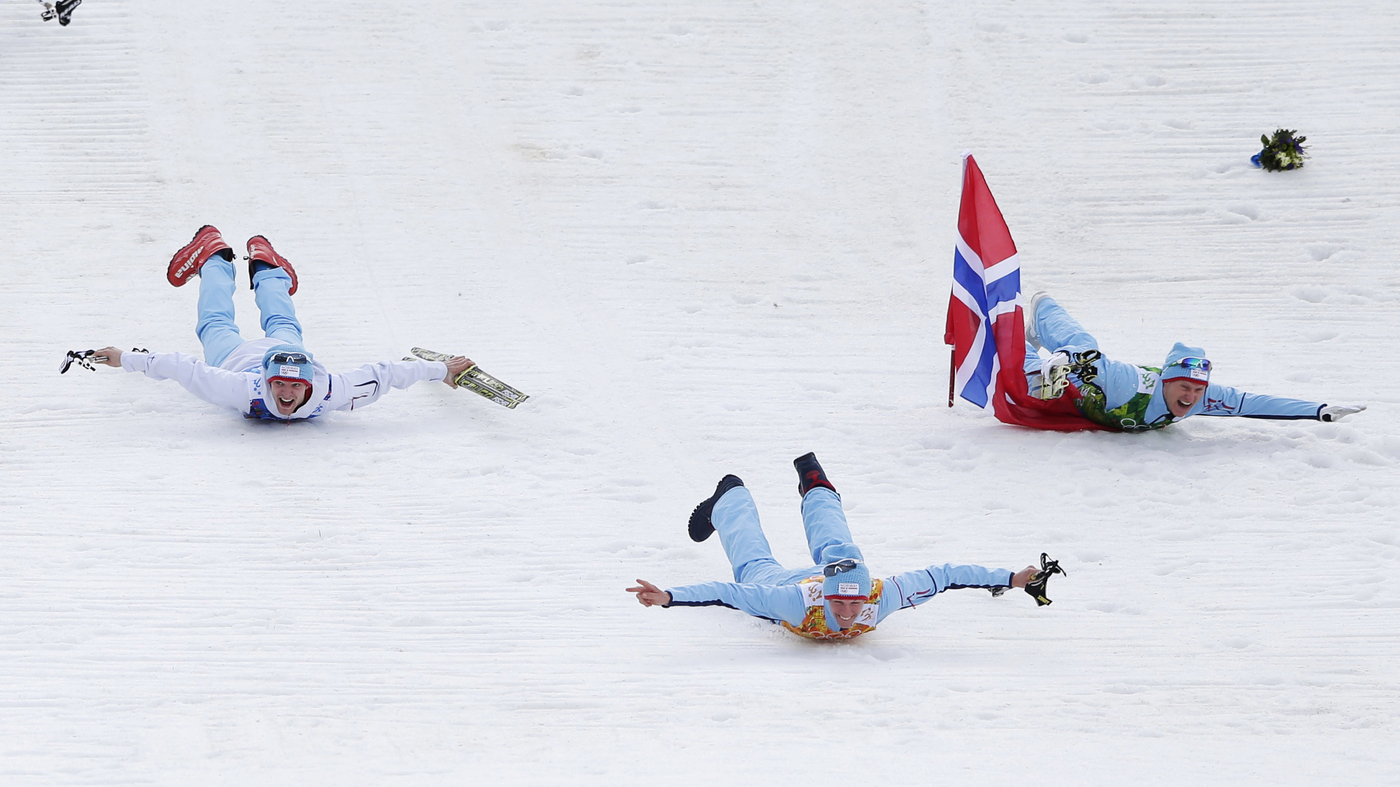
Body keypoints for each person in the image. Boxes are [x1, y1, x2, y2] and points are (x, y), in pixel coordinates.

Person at [627, 453, 1056, 641]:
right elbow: (730, 594)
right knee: (753, 567)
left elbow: (945, 576)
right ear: (827, 594)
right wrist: (670, 598)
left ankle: (816, 484)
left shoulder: (879, 596)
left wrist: (1012, 579)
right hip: (785, 584)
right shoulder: (796, 602)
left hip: (836, 570)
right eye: (840, 604)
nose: (848, 613)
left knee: (841, 547)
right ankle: (731, 497)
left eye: (853, 605)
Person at [88, 225, 474, 422]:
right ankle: (239, 263)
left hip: (277, 350)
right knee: (220, 323)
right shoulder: (241, 386)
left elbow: (387, 374)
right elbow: (180, 367)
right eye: (281, 385)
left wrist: (442, 372)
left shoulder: (332, 390)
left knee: (264, 321)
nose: (287, 394)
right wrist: (125, 358)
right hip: (238, 357)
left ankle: (225, 259)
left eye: (292, 386)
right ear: (265, 380)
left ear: (309, 383)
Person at [1022, 292, 1366, 432]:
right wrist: (1067, 359)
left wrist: (1317, 410)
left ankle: (1028, 346)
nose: (1191, 396)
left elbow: (1256, 403)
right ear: (1166, 382)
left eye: (1197, 388)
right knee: (1046, 371)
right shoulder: (1129, 383)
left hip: (1084, 404)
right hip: (1072, 388)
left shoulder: (1204, 399)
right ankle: (1040, 313)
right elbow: (1091, 360)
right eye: (1185, 386)